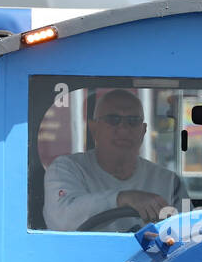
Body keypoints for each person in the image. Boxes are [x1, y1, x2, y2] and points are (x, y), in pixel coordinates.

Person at [42, 89, 189, 231]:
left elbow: (190, 233)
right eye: (113, 120)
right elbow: (61, 220)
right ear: (94, 128)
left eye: (133, 121)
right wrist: (122, 198)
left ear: (143, 130)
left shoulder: (169, 183)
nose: (123, 129)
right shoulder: (67, 169)